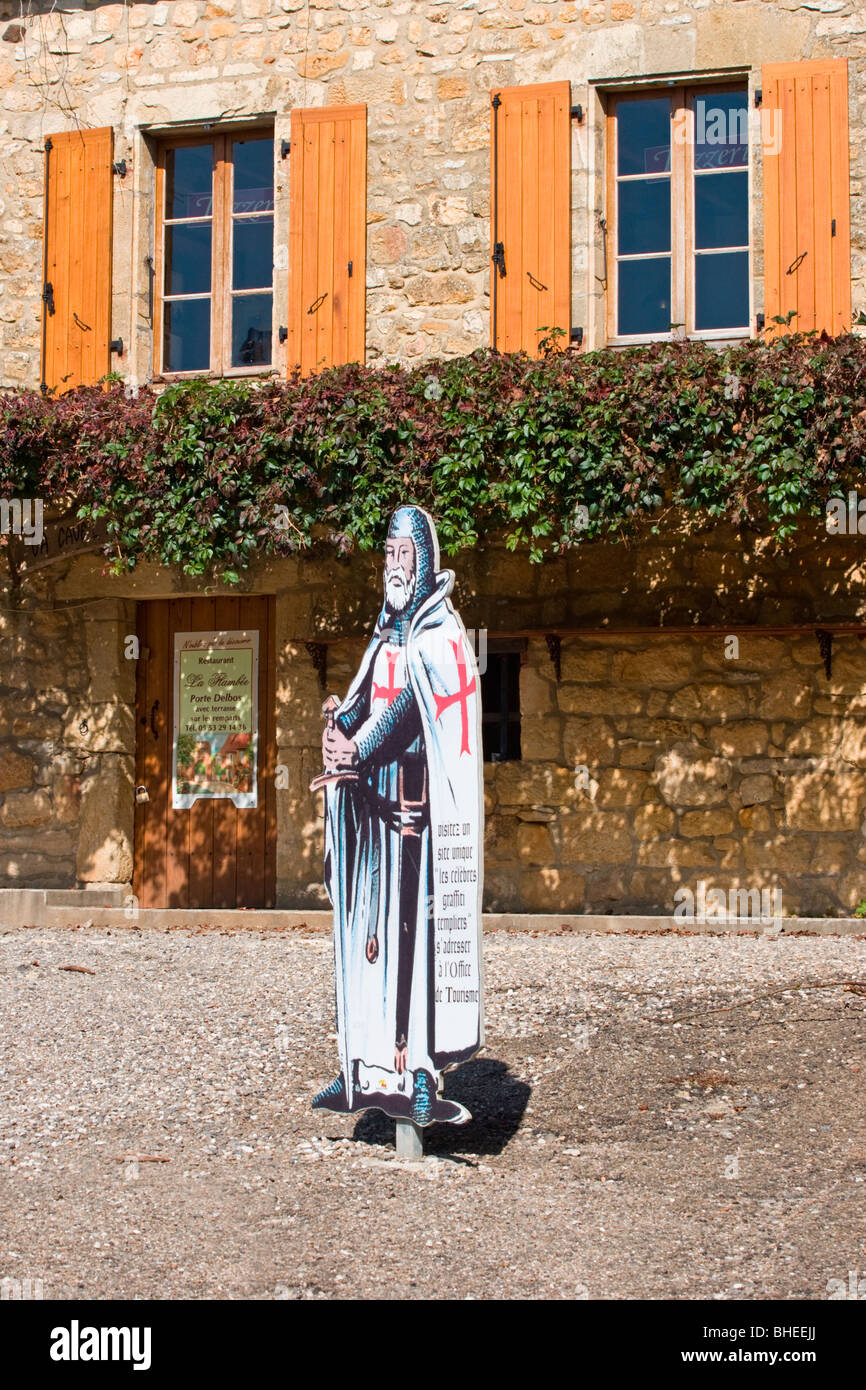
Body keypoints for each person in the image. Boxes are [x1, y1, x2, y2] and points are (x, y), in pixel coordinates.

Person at [312, 505, 483, 1126]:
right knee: (366, 941)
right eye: (386, 552)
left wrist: (360, 745)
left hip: (412, 816)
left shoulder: (437, 637)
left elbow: (410, 708)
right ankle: (361, 1070)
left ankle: (418, 1076)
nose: (392, 563)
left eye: (402, 553)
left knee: (412, 946)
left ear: (425, 560)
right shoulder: (384, 635)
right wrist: (341, 730)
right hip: (369, 816)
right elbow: (367, 702)